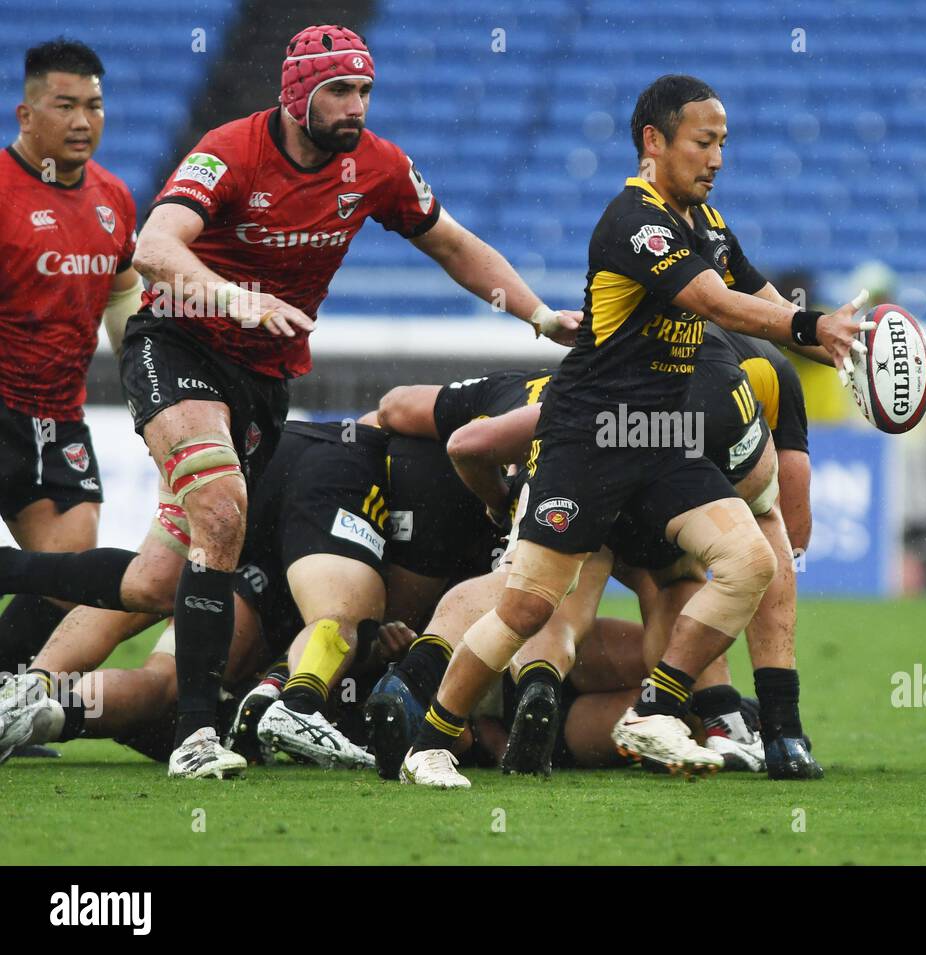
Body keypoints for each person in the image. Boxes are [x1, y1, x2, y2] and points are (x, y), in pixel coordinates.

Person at [0, 24, 580, 779]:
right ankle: (197, 737)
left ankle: (11, 575)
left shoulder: (376, 166)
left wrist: (535, 313)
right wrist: (233, 297)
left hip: (260, 381)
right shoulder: (230, 150)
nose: (356, 107)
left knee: (154, 580)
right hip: (176, 346)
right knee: (221, 510)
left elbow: (452, 243)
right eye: (340, 90)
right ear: (299, 93)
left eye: (365, 91)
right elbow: (155, 246)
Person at [398, 74, 873, 789]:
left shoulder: (708, 226)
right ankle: (427, 741)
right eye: (703, 142)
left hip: (660, 438)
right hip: (589, 439)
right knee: (526, 605)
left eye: (723, 144)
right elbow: (721, 305)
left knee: (751, 560)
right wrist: (809, 325)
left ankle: (655, 707)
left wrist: (850, 345)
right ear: (654, 142)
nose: (717, 159)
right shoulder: (635, 222)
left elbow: (766, 302)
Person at [0, 38, 142, 677]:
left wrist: (149, 384)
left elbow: (123, 296)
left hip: (58, 418)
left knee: (68, 583)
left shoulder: (113, 199)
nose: (84, 122)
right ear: (27, 115)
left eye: (95, 105)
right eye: (65, 105)